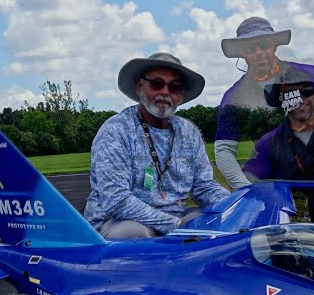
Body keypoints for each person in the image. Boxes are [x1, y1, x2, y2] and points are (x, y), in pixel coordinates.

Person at [83, 52, 230, 239]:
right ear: (139, 86)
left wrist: (239, 205)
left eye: (174, 88)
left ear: (181, 95)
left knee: (214, 221)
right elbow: (116, 200)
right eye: (157, 84)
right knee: (134, 233)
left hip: (176, 220)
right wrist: (175, 225)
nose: (165, 92)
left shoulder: (189, 132)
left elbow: (204, 187)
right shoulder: (116, 130)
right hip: (116, 223)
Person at [214, 17, 314, 191]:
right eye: (251, 47)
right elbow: (224, 149)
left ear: (274, 45)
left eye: (264, 44)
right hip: (270, 167)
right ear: (242, 52)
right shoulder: (234, 96)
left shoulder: (310, 74)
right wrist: (244, 188)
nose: (259, 52)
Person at [241, 68, 314, 226]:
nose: (299, 99)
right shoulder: (268, 142)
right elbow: (246, 183)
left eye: (307, 91)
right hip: (283, 215)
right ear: (283, 101)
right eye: (291, 94)